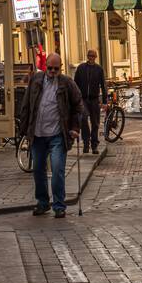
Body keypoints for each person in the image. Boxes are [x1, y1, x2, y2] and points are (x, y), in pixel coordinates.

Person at [18, 53, 83, 217]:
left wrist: (75, 127)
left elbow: (78, 105)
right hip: (38, 134)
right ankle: (42, 203)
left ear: (60, 67)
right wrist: (23, 131)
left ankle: (59, 206)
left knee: (57, 170)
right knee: (38, 170)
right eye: (50, 68)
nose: (52, 71)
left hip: (57, 135)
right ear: (45, 66)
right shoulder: (36, 80)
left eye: (56, 68)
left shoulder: (67, 83)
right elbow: (26, 104)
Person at [73, 49, 107, 155]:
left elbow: (103, 85)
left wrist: (105, 101)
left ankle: (94, 145)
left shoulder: (99, 69)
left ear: (95, 57)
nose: (91, 58)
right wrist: (76, 99)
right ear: (87, 56)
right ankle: (86, 143)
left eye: (93, 56)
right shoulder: (81, 68)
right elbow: (75, 84)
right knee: (83, 119)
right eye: (90, 56)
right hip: (83, 99)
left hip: (94, 99)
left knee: (95, 123)